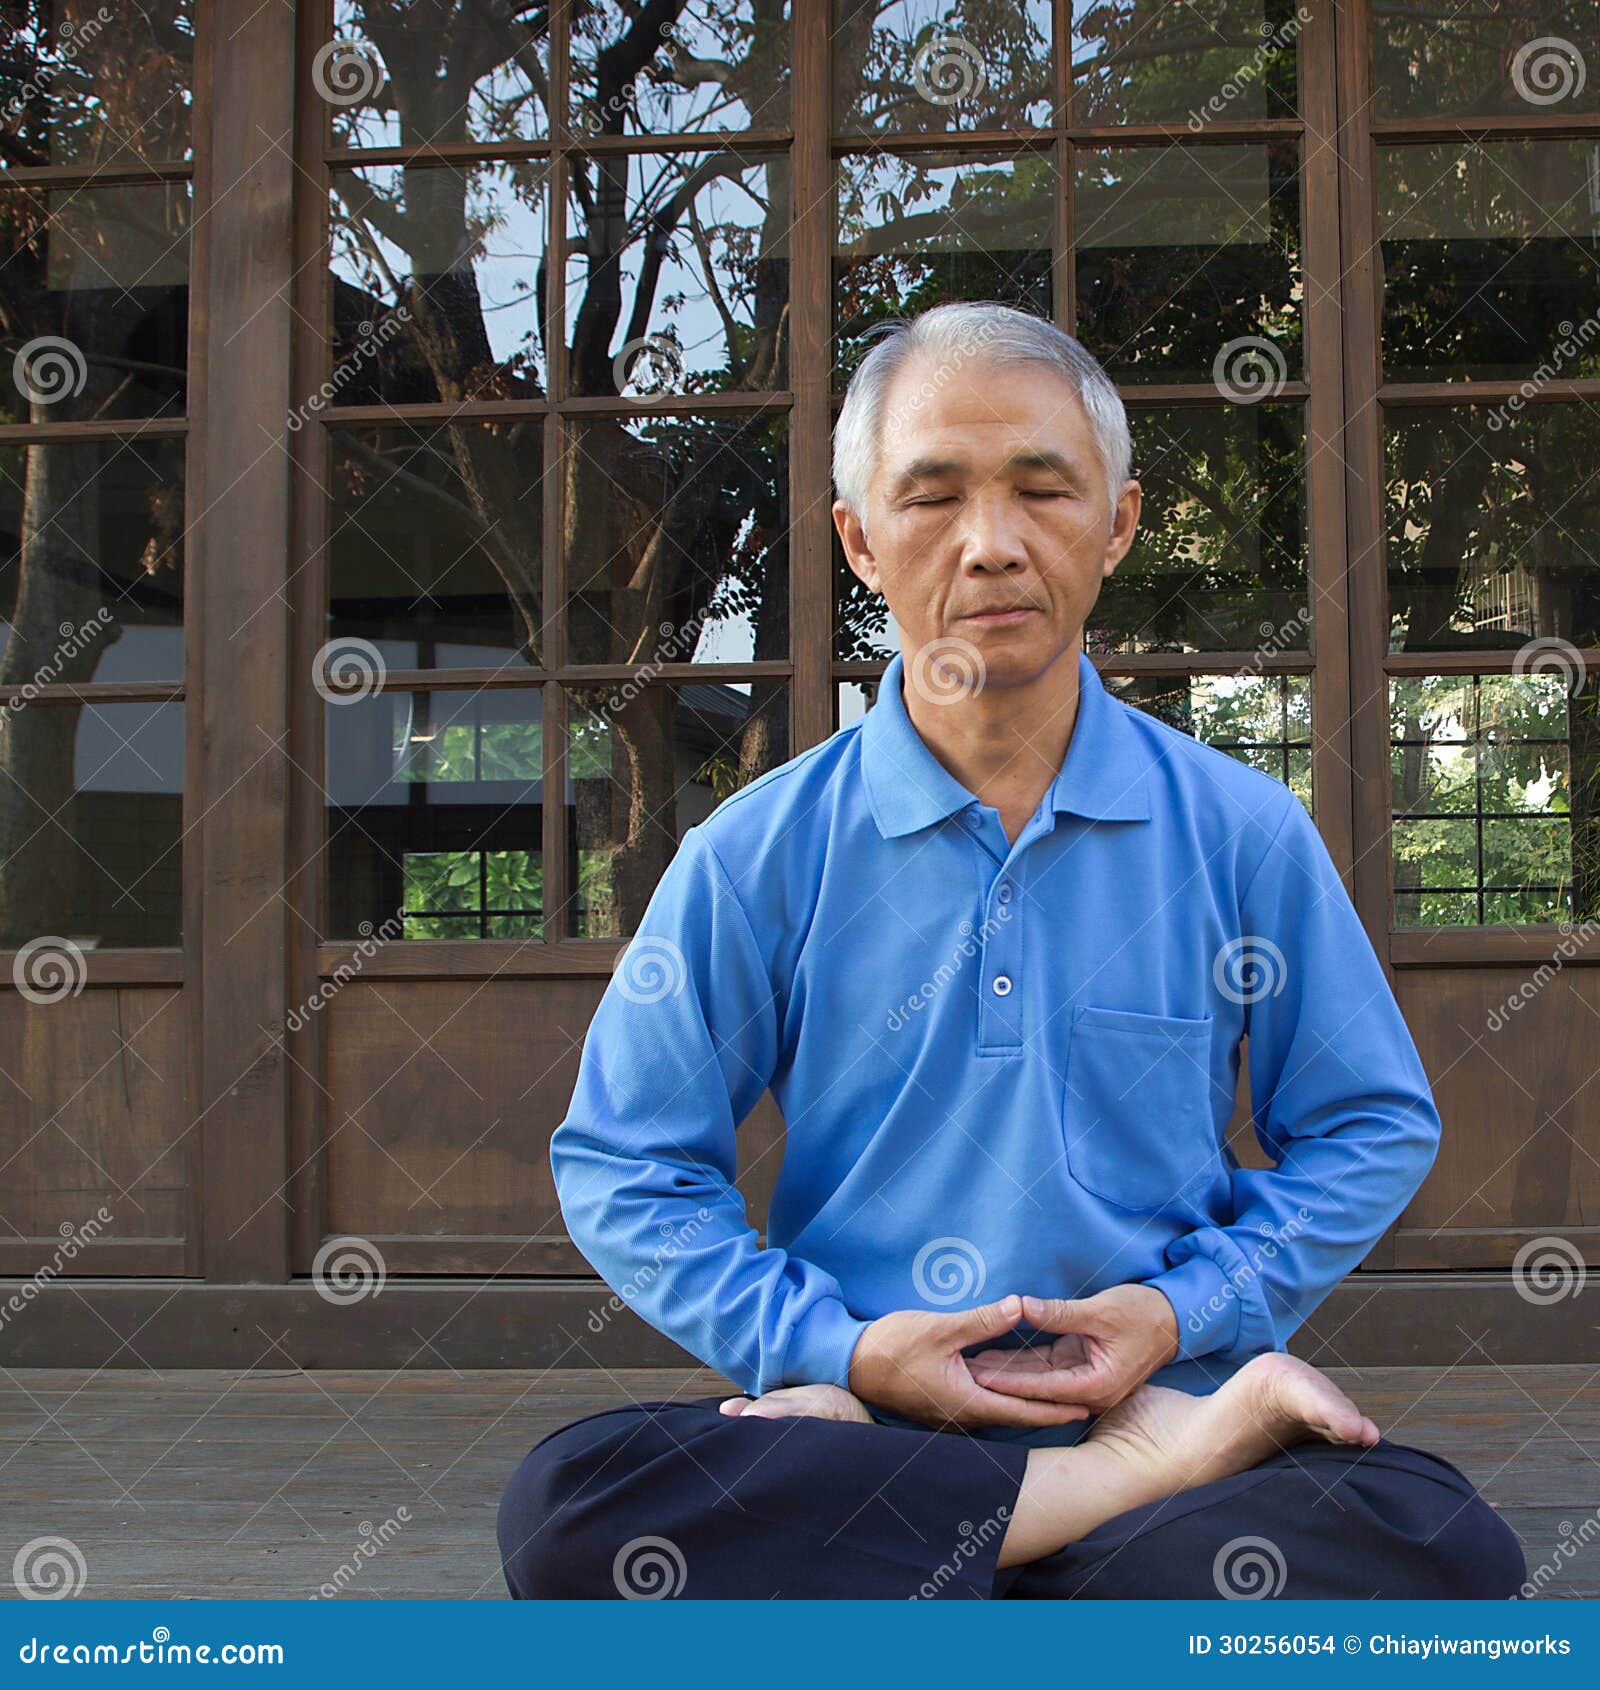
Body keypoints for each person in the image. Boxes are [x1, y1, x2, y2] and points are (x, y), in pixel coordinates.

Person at [497, 302, 1526, 1600]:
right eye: (933, 498)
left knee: (1443, 1544)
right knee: (571, 1507)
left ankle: (1040, 1525)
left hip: (1165, 1412)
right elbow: (626, 1162)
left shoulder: (1239, 832)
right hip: (869, 1438)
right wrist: (840, 1352)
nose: (991, 545)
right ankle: (1071, 1516)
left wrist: (1182, 1311)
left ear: (1120, 523)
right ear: (860, 539)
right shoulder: (758, 852)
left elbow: (1372, 1120)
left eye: (1044, 489)